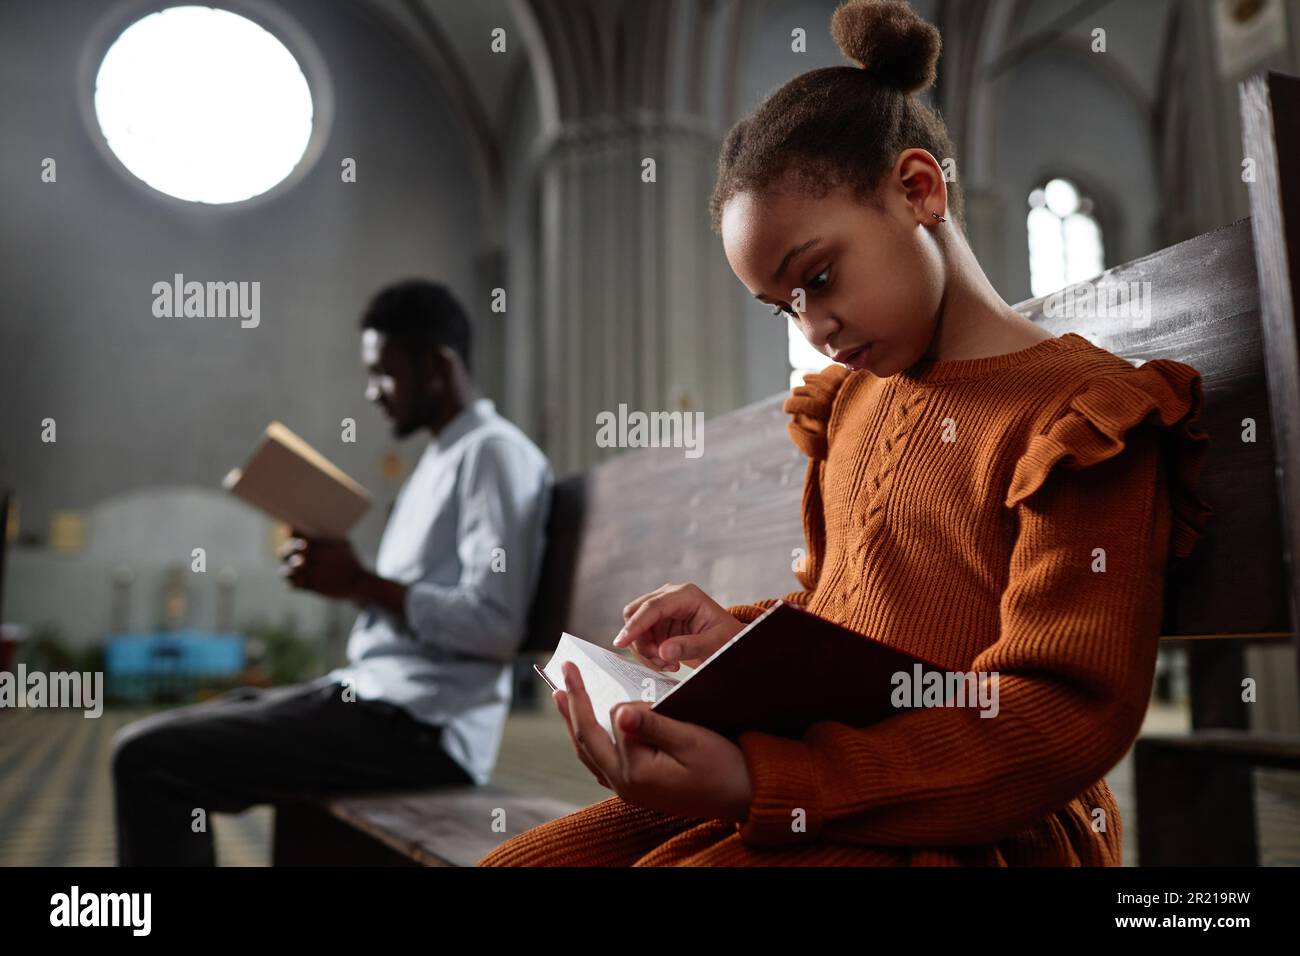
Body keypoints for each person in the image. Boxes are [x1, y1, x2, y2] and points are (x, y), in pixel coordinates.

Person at [478, 0, 1213, 867]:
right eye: (785, 304)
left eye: (819, 277)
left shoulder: (1080, 418)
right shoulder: (854, 406)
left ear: (918, 190)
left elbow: (1059, 718)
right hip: (828, 771)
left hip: (981, 816)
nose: (813, 327)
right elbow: (848, 623)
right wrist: (735, 639)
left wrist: (760, 782)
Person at [112, 279, 554, 866]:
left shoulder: (492, 453)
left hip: (421, 728)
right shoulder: (440, 458)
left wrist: (359, 583)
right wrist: (345, 578)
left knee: (148, 757)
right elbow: (412, 603)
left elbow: (495, 626)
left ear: (437, 365)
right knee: (198, 724)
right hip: (372, 701)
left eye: (382, 373)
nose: (372, 393)